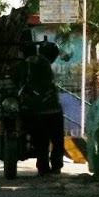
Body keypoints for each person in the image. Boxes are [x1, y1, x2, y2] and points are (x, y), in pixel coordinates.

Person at [17, 42, 65, 175]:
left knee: (41, 140)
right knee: (57, 139)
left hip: (35, 109)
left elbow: (19, 84)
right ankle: (56, 165)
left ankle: (43, 166)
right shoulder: (43, 63)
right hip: (52, 108)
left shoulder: (24, 64)